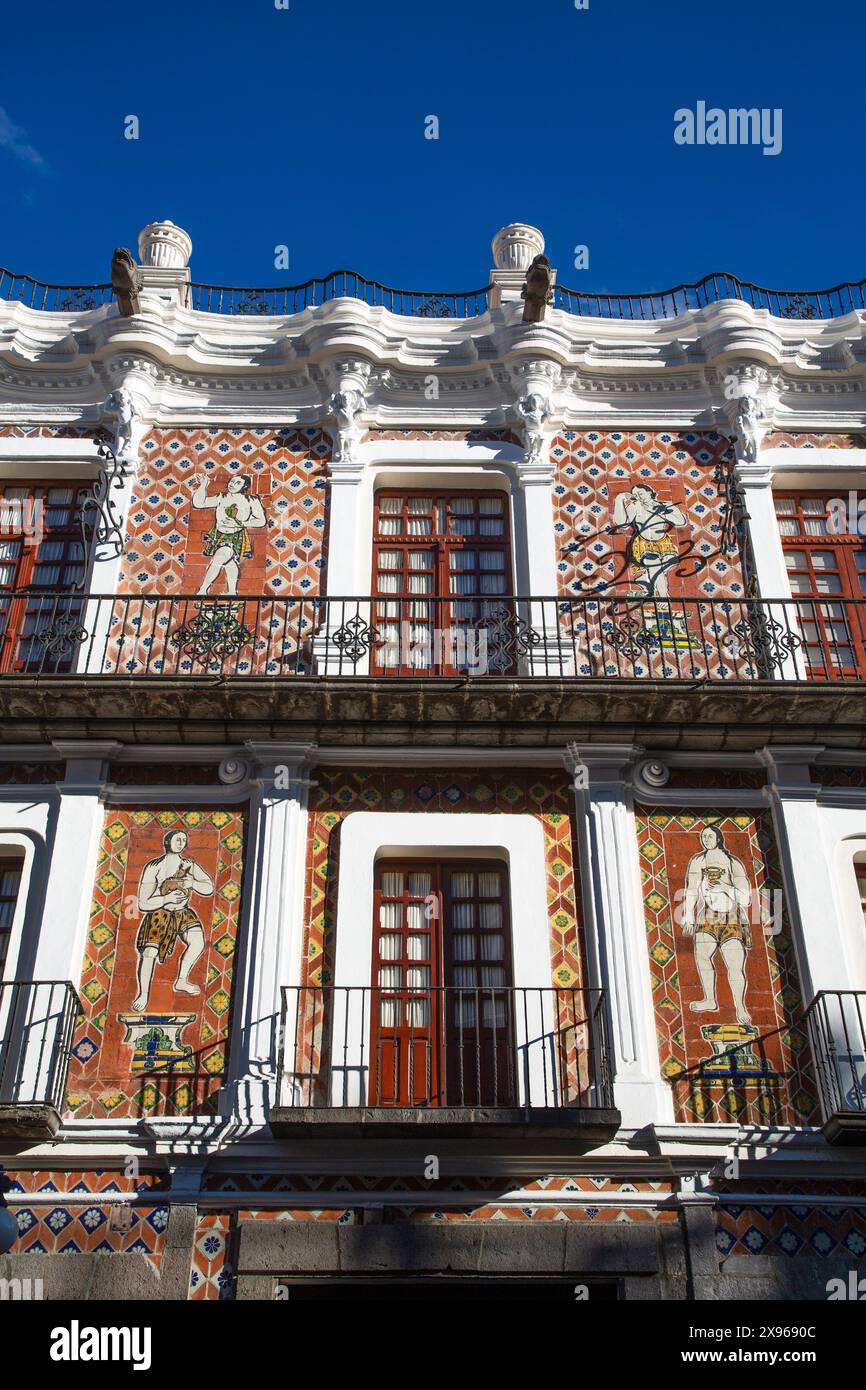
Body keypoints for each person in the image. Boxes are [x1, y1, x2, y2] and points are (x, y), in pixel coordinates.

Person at [131, 830, 214, 1013]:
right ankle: (143, 994)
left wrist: (192, 883)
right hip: (159, 913)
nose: (181, 843)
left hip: (182, 912)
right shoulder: (154, 866)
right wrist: (166, 899)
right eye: (177, 839)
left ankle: (181, 979)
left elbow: (208, 887)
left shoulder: (189, 865)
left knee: (198, 941)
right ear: (168, 841)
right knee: (149, 952)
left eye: (184, 840)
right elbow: (144, 902)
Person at [681, 825, 752, 1026]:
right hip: (708, 916)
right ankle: (710, 1000)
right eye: (703, 836)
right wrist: (688, 915)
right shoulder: (698, 861)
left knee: (734, 965)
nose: (706, 839)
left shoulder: (732, 862)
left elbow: (745, 898)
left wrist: (723, 886)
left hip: (731, 918)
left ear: (719, 838)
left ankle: (740, 1006)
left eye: (710, 836)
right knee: (702, 956)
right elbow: (691, 889)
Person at [188, 473, 266, 595]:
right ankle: (232, 592)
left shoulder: (251, 500)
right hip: (219, 534)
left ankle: (203, 589)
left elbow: (261, 521)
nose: (233, 484)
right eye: (232, 481)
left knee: (220, 558)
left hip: (236, 536)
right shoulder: (221, 497)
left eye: (238, 483)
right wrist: (204, 484)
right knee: (230, 563)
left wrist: (241, 523)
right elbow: (199, 503)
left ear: (244, 486)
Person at [612, 483, 686, 596]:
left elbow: (681, 521)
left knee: (669, 563)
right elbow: (622, 524)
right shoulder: (635, 506)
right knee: (655, 566)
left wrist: (661, 512)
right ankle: (664, 597)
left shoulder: (666, 505)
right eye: (635, 495)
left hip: (663, 543)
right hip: (643, 543)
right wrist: (619, 500)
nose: (638, 497)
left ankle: (645, 578)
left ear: (650, 492)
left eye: (640, 493)